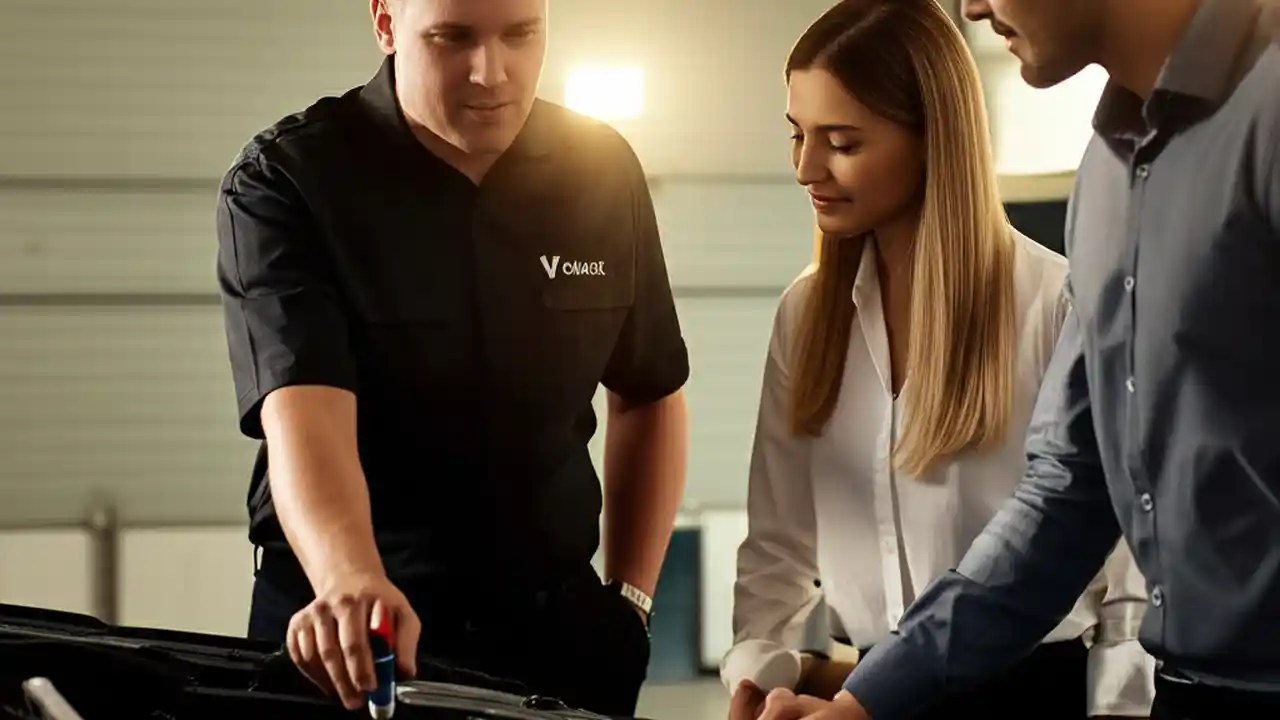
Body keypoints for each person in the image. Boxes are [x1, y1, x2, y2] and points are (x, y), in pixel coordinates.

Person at [754, 0, 1280, 718]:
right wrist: (860, 705)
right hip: (1192, 692)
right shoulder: (1108, 175)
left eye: (842, 140)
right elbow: (1068, 496)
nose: (970, 7)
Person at [212, 0, 690, 716]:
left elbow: (650, 389)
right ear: (384, 21)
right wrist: (350, 579)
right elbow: (303, 411)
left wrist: (631, 599)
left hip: (555, 636)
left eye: (521, 35)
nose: (490, 73)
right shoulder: (290, 181)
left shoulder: (603, 170)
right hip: (353, 634)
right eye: (451, 38)